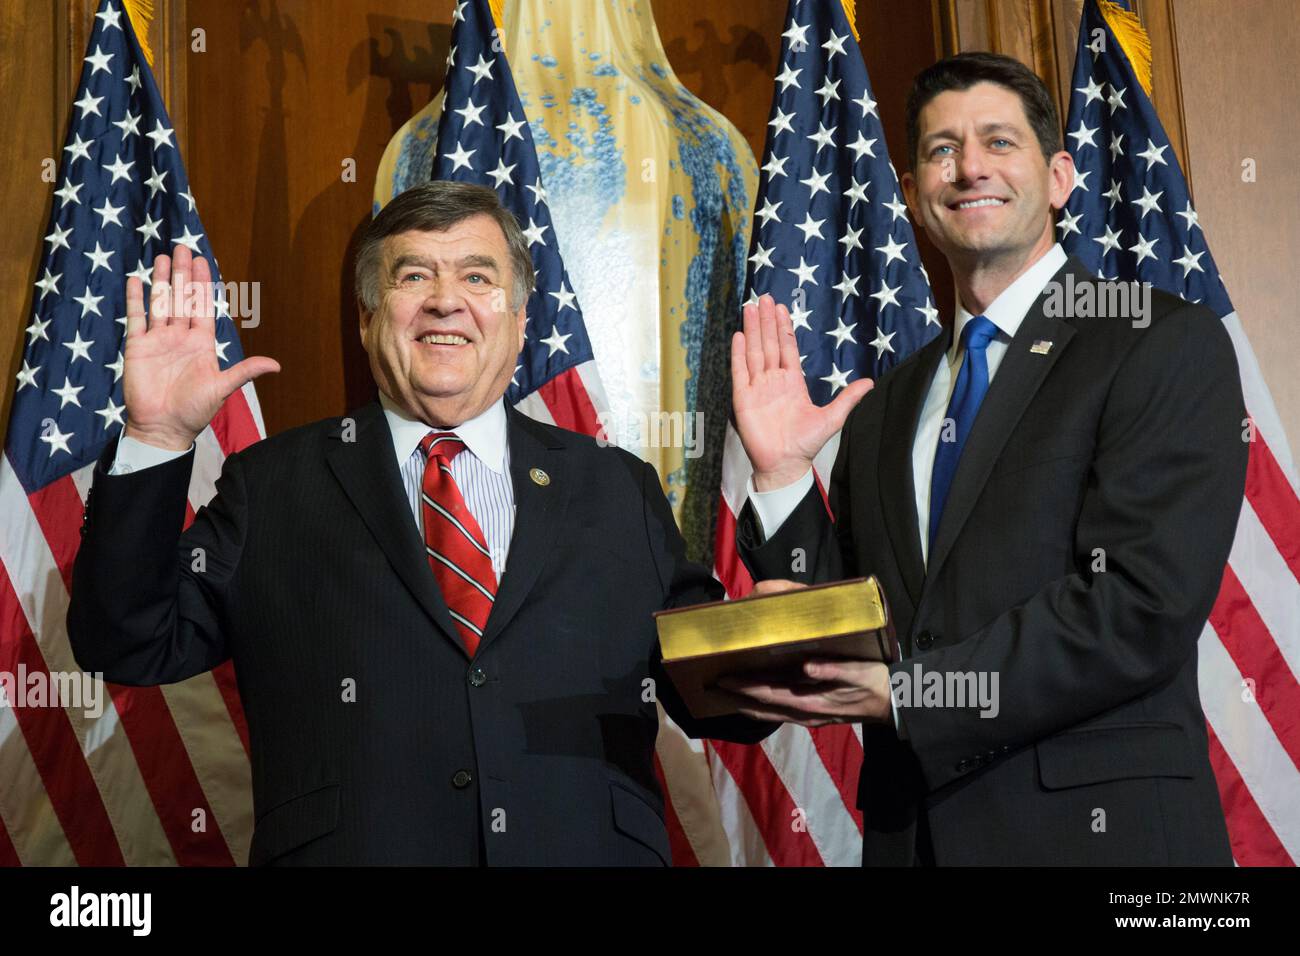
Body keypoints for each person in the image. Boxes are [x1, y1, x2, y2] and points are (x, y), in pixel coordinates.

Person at [68, 180, 770, 866]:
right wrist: (155, 437)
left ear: (520, 320)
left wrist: (785, 486)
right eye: (413, 276)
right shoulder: (273, 486)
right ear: (369, 318)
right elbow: (126, 641)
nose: (445, 301)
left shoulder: (617, 488)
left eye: (477, 275)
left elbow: (725, 701)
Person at [724, 52, 1247, 865]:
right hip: (915, 841)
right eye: (942, 150)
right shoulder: (887, 405)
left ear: (1059, 176)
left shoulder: (1157, 340)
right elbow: (853, 625)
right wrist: (785, 475)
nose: (969, 167)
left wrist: (918, 693)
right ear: (911, 193)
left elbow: (1140, 607)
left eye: (999, 142)